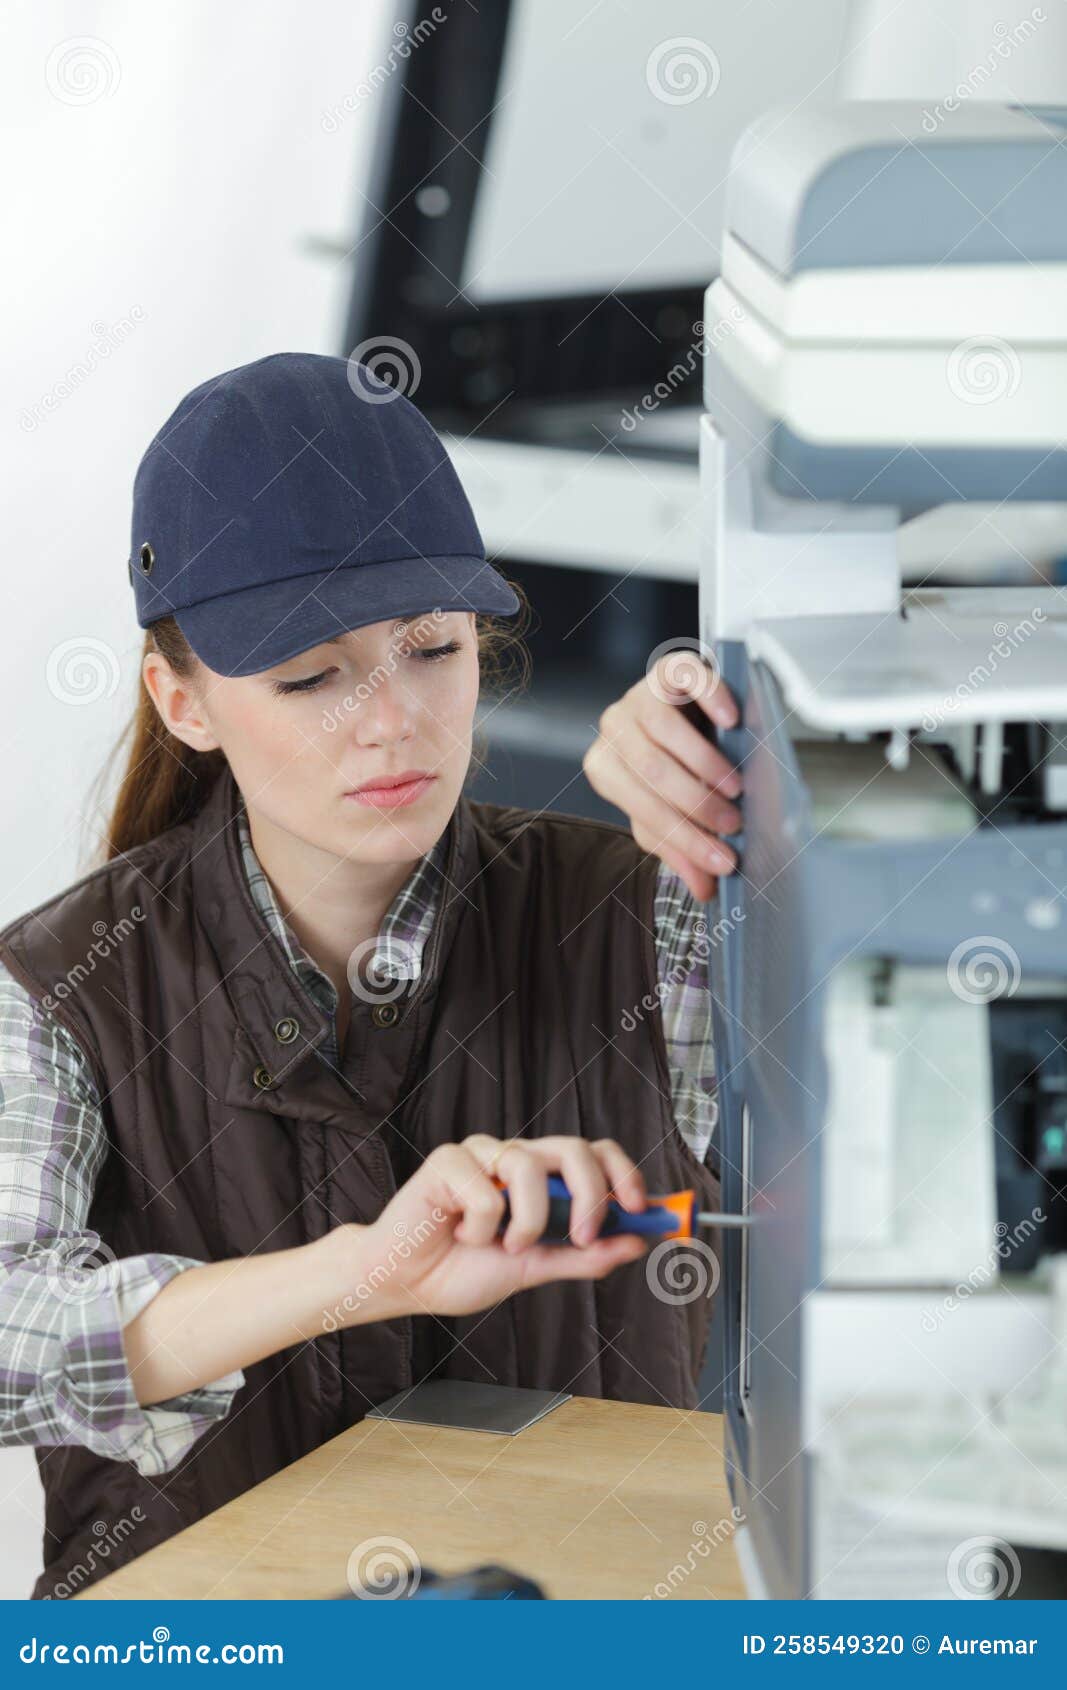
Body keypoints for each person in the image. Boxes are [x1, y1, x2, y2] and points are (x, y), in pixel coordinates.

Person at [0, 352, 742, 1598]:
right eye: (311, 676)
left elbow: (892, 1128)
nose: (392, 719)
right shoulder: (62, 988)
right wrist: (363, 1271)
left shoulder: (647, 916)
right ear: (182, 702)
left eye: (430, 649)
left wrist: (752, 777)